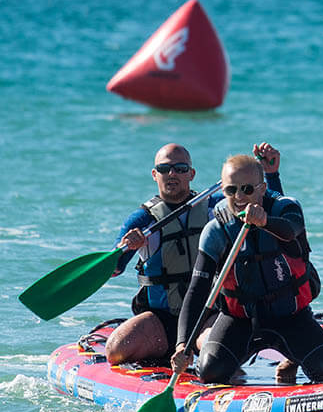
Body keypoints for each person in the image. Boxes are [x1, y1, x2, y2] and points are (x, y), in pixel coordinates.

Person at [104, 142, 284, 365]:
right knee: (115, 351)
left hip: (208, 313)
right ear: (154, 174)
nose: (172, 174)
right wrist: (125, 249)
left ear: (191, 174)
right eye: (164, 169)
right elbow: (113, 270)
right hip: (163, 319)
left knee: (218, 356)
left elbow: (272, 211)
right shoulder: (143, 220)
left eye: (180, 168)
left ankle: (214, 355)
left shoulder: (215, 207)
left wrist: (271, 174)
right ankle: (165, 353)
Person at [170, 154, 323, 386]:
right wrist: (183, 344)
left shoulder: (285, 211)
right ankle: (232, 363)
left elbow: (290, 231)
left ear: (262, 188)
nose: (239, 197)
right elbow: (197, 291)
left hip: (290, 317)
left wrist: (264, 223)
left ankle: (293, 359)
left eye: (247, 189)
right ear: (222, 189)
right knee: (210, 373)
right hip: (240, 320)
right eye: (231, 190)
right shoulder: (215, 230)